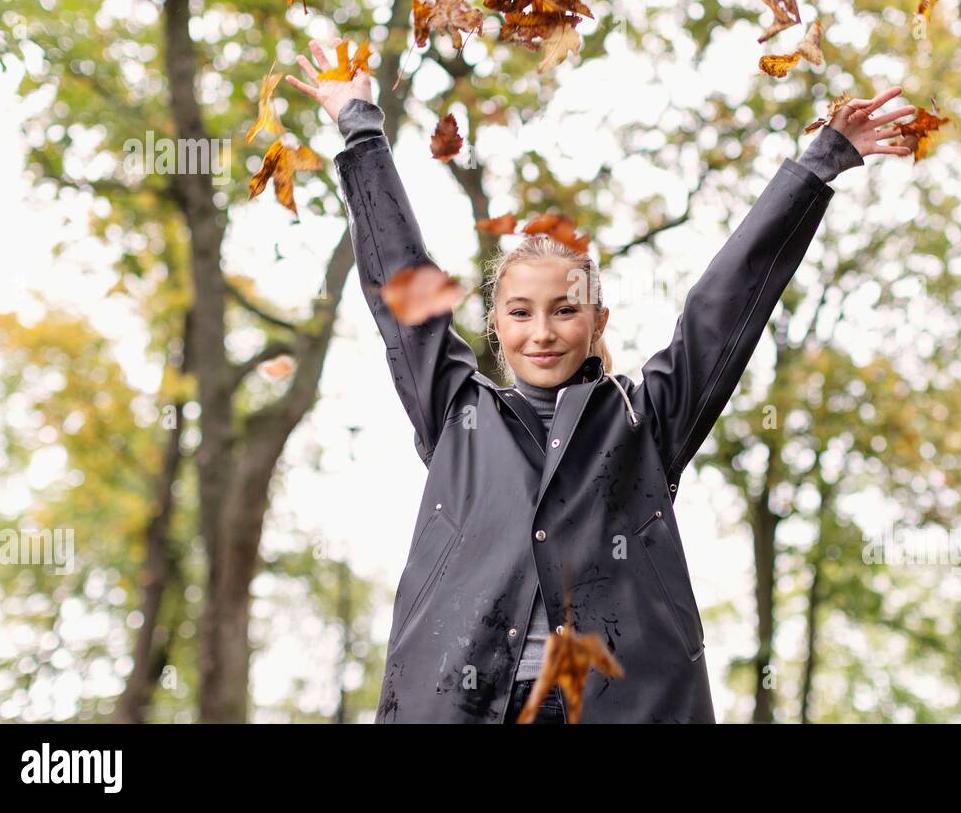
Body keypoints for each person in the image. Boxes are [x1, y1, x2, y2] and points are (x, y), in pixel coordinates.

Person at [286, 39, 916, 723]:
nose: (543, 332)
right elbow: (401, 282)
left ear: (597, 320)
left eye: (566, 311)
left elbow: (722, 310)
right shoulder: (457, 412)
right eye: (521, 313)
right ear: (495, 323)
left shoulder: (644, 420)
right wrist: (359, 126)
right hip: (463, 704)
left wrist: (818, 162)